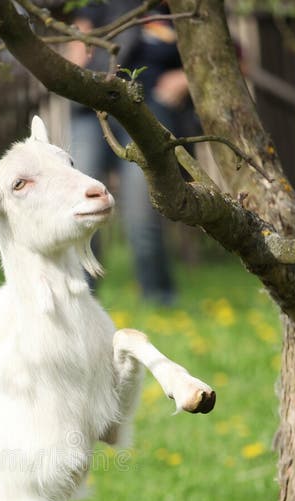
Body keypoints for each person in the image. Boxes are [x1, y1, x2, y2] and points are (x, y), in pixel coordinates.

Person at [67, 2, 196, 305]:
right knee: (78, 204)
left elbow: (229, 62)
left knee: (143, 212)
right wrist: (77, 58)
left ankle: (159, 299)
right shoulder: (103, 4)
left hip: (150, 113)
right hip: (94, 108)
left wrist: (184, 78)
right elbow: (79, 40)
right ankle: (80, 300)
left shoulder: (184, 10)